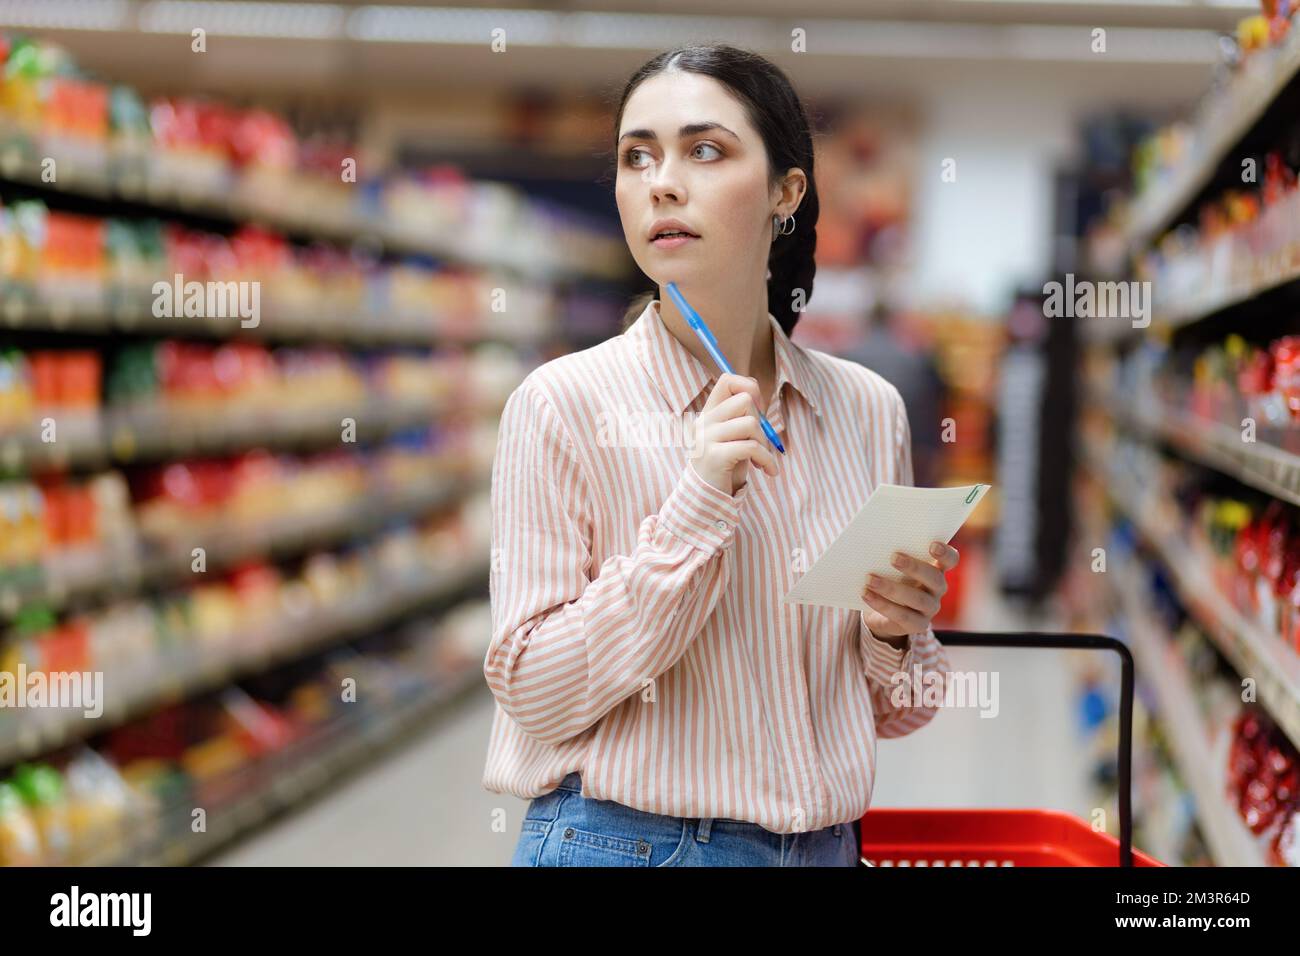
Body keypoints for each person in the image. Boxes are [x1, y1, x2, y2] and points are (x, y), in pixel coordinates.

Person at [483, 43, 957, 867]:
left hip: (826, 848)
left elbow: (904, 709)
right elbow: (533, 693)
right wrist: (698, 502)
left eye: (705, 150)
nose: (663, 181)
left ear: (786, 192)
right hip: (625, 844)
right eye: (638, 156)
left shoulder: (864, 410)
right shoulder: (562, 405)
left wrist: (893, 633)